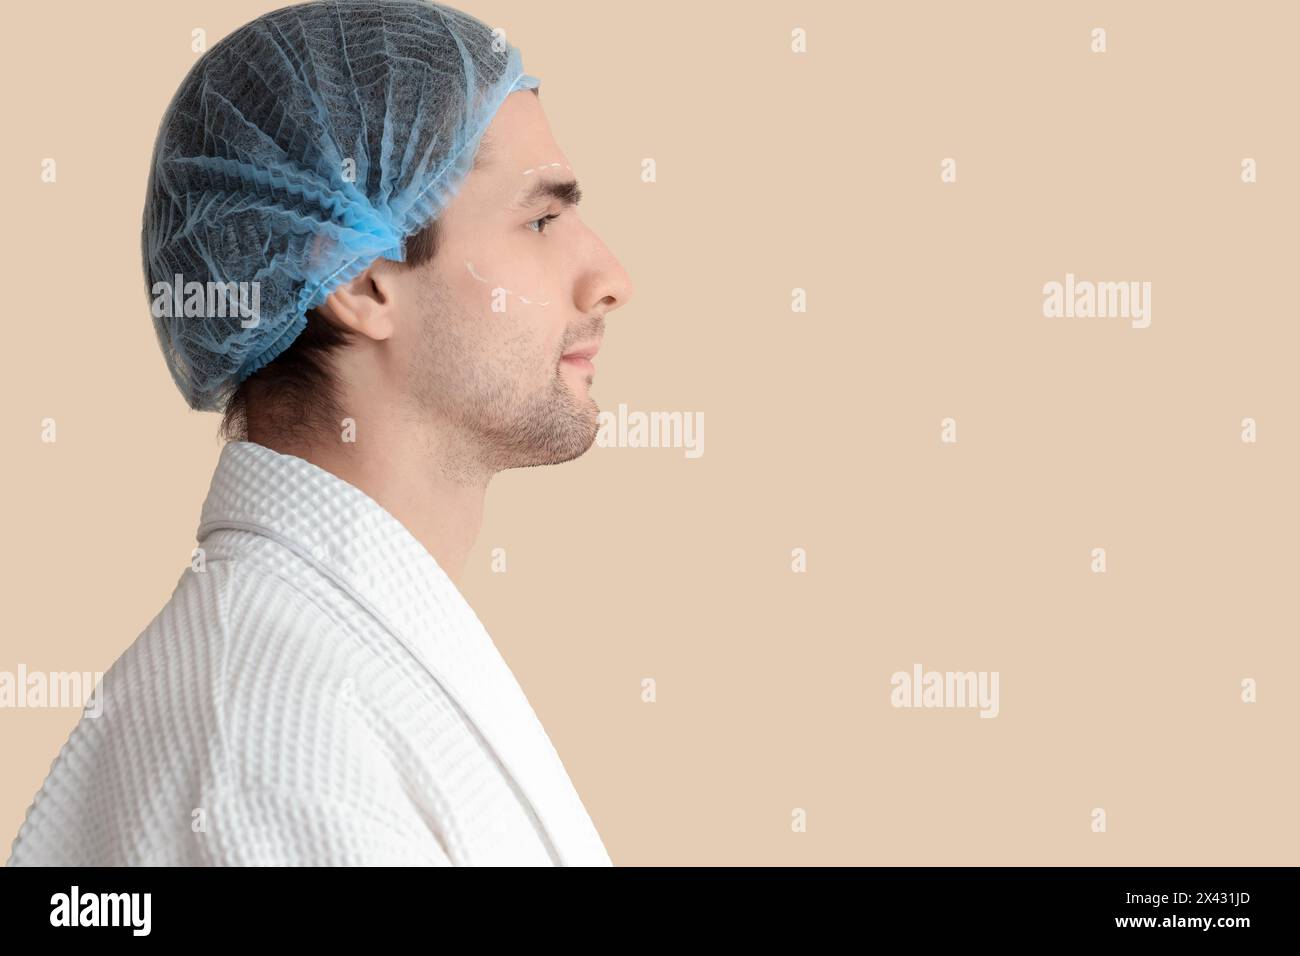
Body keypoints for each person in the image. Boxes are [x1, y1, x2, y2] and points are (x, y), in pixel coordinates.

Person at [7, 0, 632, 866]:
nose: (609, 277)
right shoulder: (269, 747)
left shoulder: (343, 660)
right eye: (539, 220)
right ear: (361, 280)